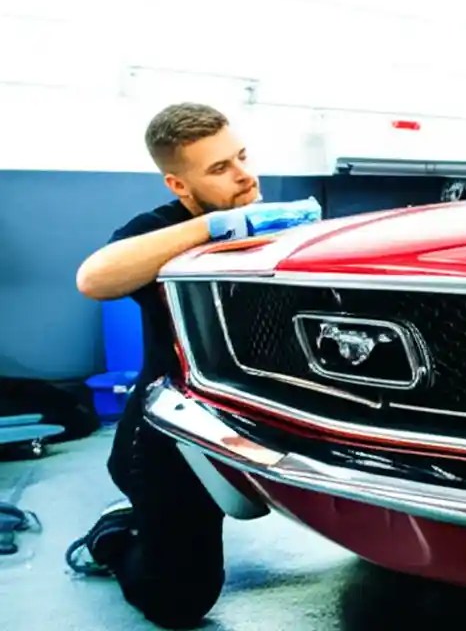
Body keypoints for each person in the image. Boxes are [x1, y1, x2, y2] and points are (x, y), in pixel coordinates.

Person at [65, 102, 318, 628]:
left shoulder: (281, 221)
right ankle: (116, 537)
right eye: (219, 169)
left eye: (242, 157)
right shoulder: (161, 228)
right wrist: (215, 226)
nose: (245, 176)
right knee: (180, 601)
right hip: (173, 426)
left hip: (264, 412)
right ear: (179, 185)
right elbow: (94, 278)